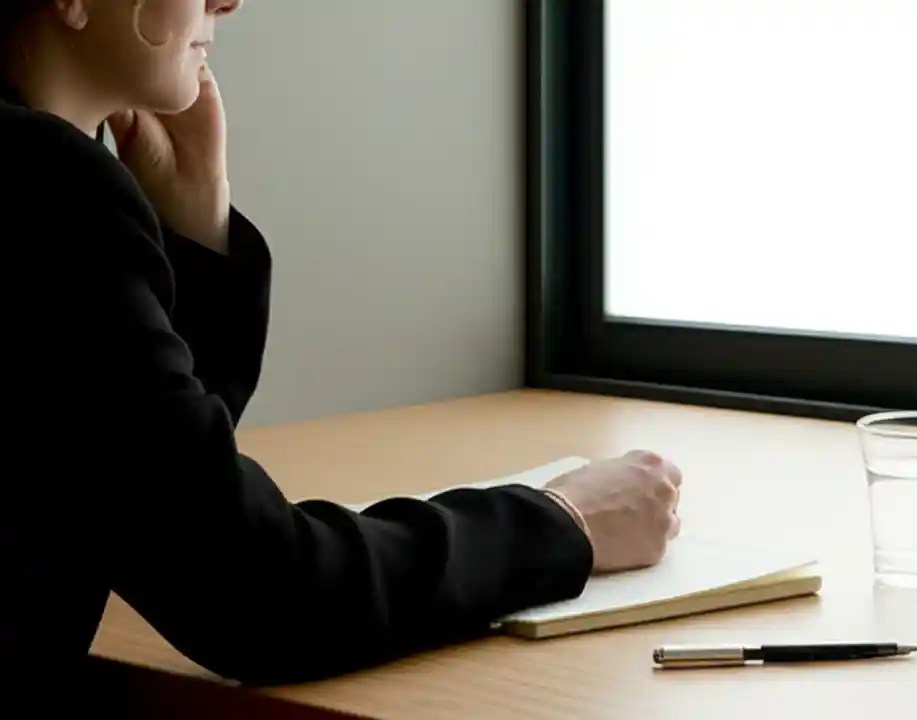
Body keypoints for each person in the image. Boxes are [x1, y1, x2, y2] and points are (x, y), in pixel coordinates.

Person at [0, 0, 683, 704]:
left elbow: (152, 498)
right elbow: (258, 594)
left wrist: (195, 223)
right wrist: (563, 523)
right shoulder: (44, 189)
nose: (228, 1)